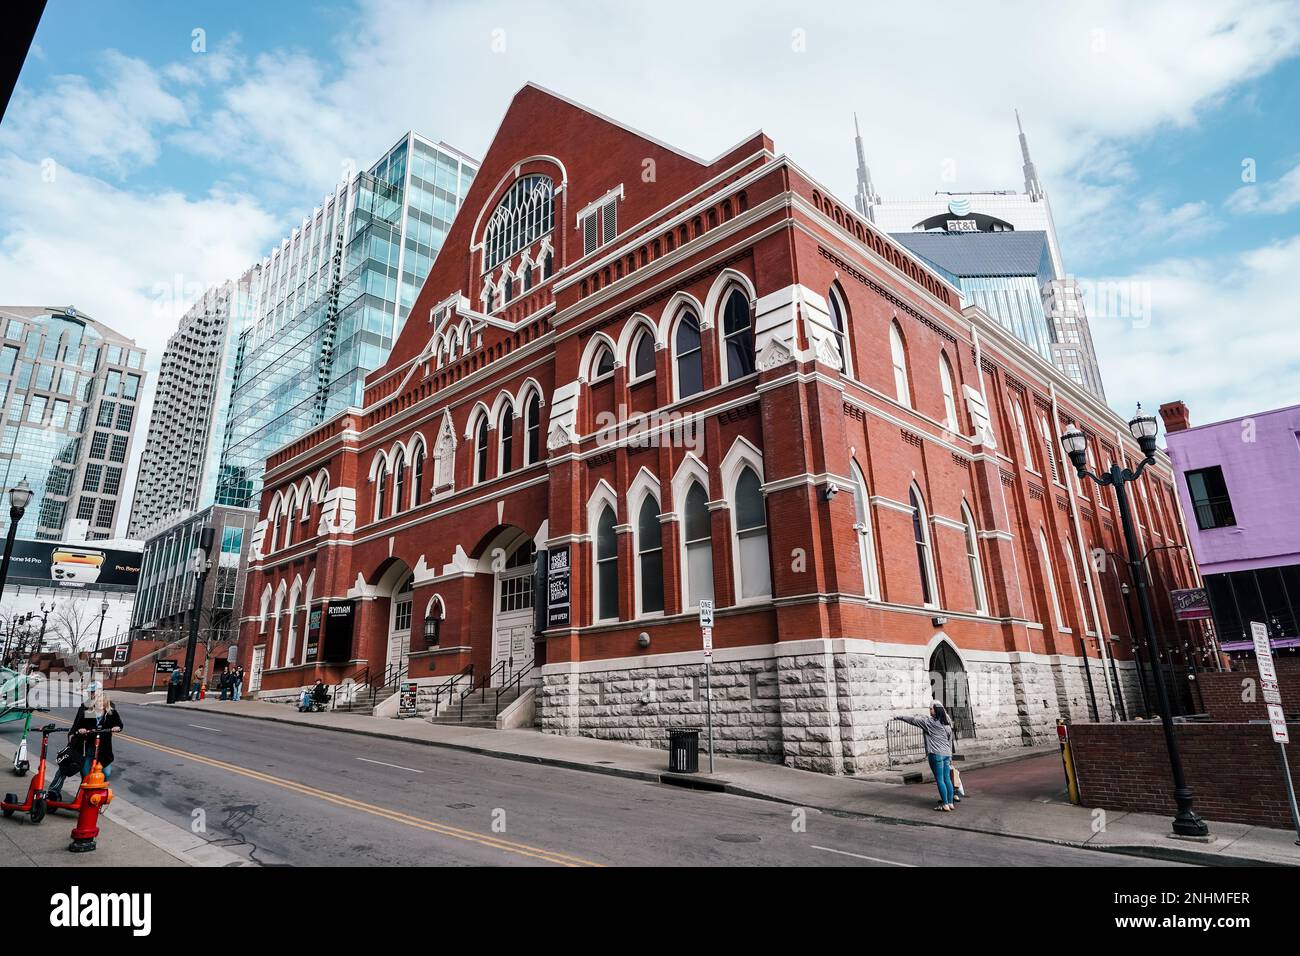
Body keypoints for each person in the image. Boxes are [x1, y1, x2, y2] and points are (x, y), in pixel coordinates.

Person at [47, 681, 124, 799]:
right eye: (90, 692)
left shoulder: (109, 707)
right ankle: (80, 797)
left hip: (103, 748)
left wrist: (116, 728)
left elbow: (118, 723)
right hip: (85, 745)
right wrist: (75, 733)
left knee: (106, 773)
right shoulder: (87, 707)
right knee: (79, 771)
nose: (91, 694)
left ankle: (96, 796)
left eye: (93, 692)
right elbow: (78, 724)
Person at [895, 701, 956, 811]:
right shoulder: (947, 724)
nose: (930, 711)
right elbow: (949, 741)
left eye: (931, 709)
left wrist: (899, 717)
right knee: (947, 779)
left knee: (940, 780)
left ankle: (945, 804)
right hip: (947, 754)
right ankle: (950, 803)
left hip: (936, 754)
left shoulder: (929, 723)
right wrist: (950, 756)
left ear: (936, 710)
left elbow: (913, 720)